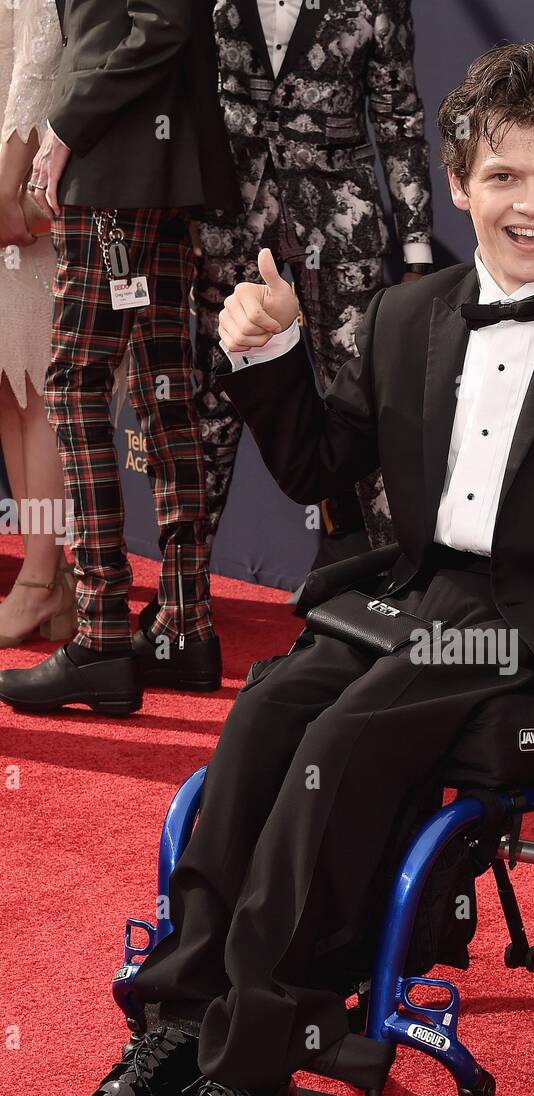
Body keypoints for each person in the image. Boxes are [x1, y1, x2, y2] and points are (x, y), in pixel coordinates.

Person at [51, 44, 534, 1096]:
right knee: (265, 716)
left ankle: (255, 1068)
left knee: (339, 748)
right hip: (416, 599)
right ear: (456, 180)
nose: (529, 205)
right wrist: (272, 353)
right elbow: (325, 466)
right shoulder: (404, 315)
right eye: (503, 179)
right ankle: (180, 1019)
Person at [0, 0, 241, 715]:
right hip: (149, 166)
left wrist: (67, 127)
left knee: (74, 385)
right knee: (164, 392)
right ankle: (184, 626)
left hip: (114, 163)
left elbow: (162, 21)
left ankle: (103, 634)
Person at [191, 0, 433, 571]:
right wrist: (183, 210)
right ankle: (185, 603)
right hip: (229, 217)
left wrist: (416, 246)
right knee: (209, 409)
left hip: (341, 221)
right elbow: (184, 97)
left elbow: (397, 115)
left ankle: (398, 591)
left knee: (364, 400)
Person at [0, 0, 75, 648]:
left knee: (37, 385)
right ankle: (48, 579)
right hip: (7, 162)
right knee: (10, 383)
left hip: (31, 171)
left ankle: (42, 575)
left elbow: (44, 52)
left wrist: (7, 182)